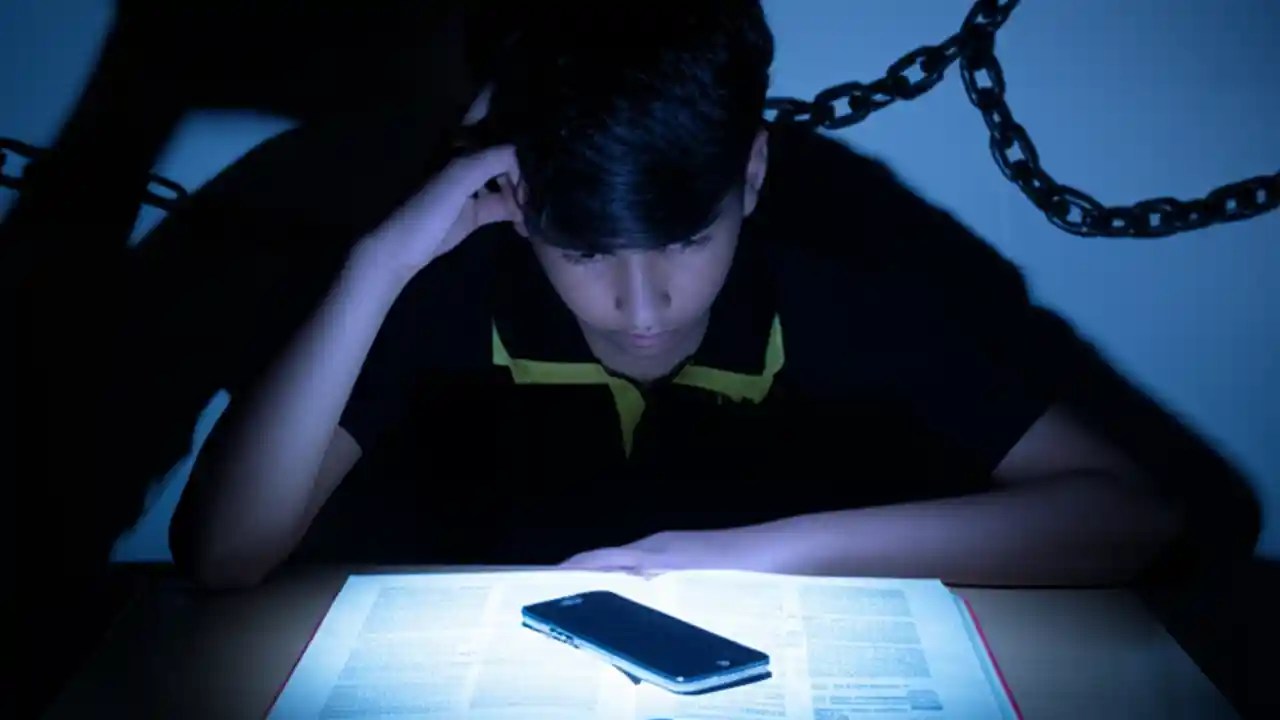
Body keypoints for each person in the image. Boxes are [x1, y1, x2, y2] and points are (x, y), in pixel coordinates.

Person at [170, 1, 1181, 590]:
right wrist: (378, 263)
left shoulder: (842, 264)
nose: (641, 303)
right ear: (515, 199)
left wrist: (747, 555)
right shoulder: (459, 275)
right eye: (585, 255)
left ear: (748, 176)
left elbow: (1128, 515)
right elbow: (223, 557)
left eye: (688, 240)